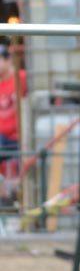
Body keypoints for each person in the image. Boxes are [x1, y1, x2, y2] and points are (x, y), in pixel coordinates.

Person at [0, 42, 26, 178]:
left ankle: (21, 194)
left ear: (8, 59)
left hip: (21, 136)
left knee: (26, 164)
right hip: (3, 137)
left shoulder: (21, 77)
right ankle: (4, 194)